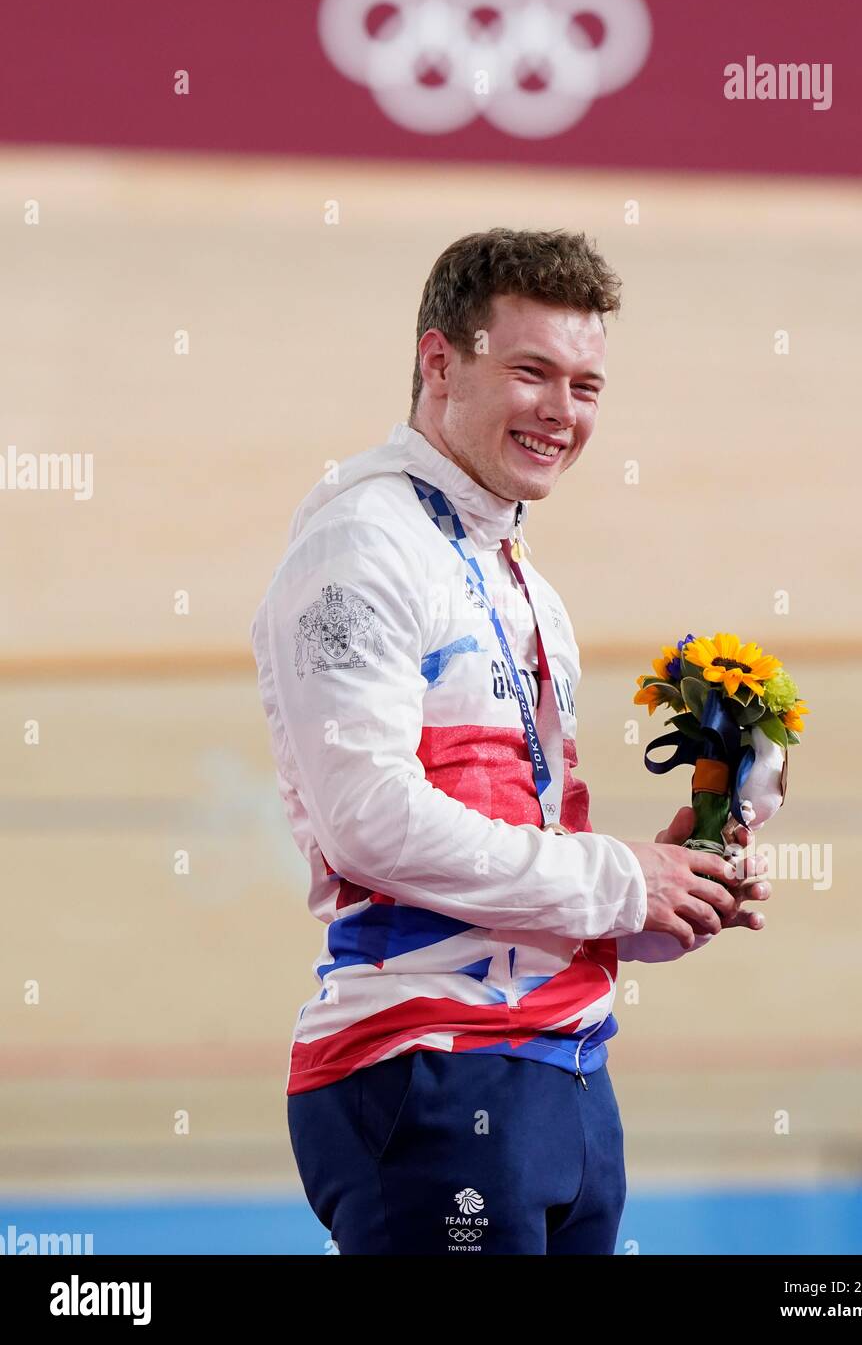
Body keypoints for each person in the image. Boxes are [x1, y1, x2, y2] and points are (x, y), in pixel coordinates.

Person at [250, 227, 770, 1256]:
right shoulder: (362, 544)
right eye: (530, 371)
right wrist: (619, 879)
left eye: (585, 385)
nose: (560, 411)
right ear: (439, 362)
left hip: (561, 1065)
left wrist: (671, 891)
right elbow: (368, 823)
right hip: (429, 1062)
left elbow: (527, 877)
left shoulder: (522, 581)